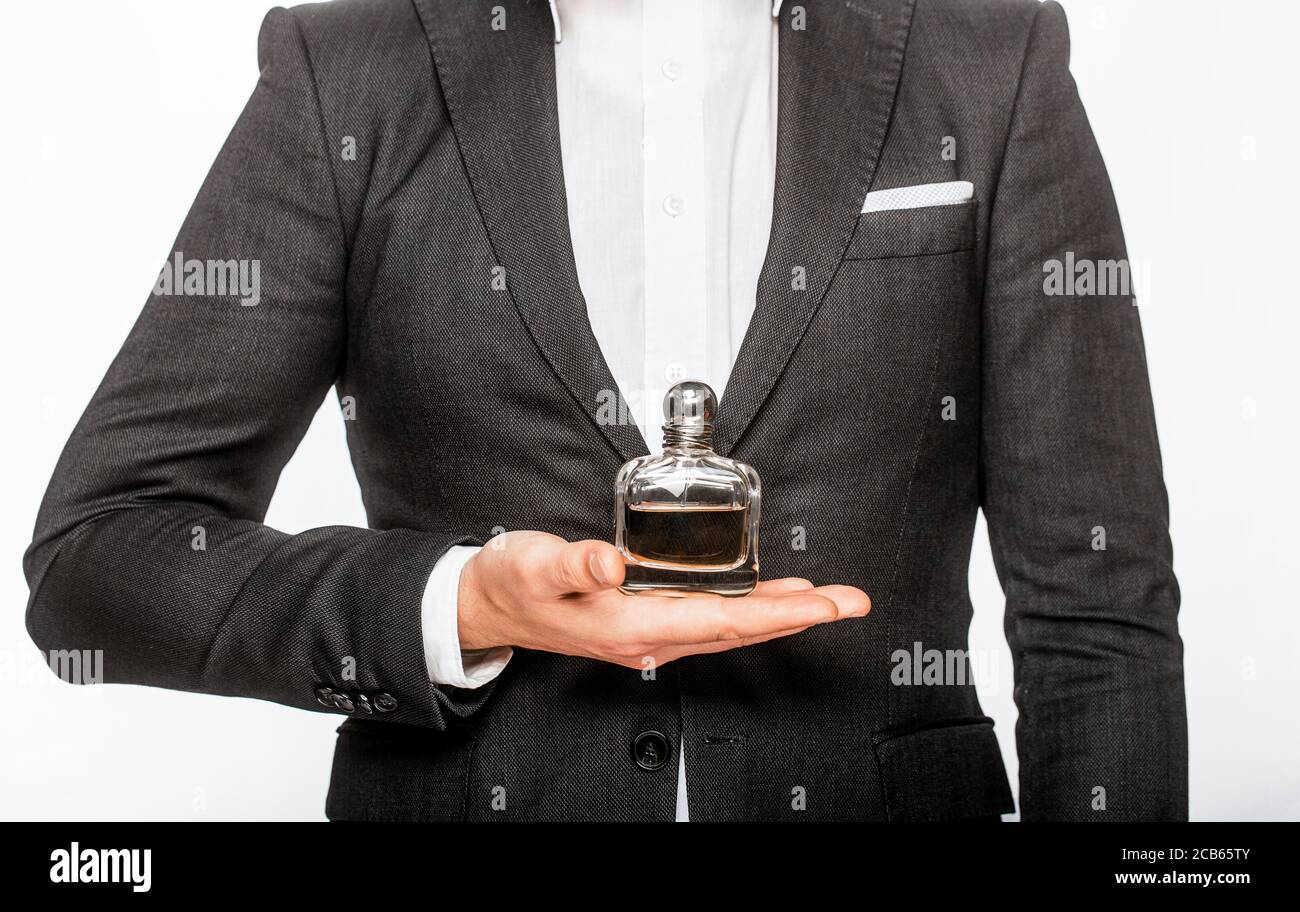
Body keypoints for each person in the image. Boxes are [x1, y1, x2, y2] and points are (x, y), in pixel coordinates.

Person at [24, 0, 1186, 821]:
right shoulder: (350, 72)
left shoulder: (989, 60)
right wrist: (460, 602)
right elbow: (99, 558)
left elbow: (1096, 601)